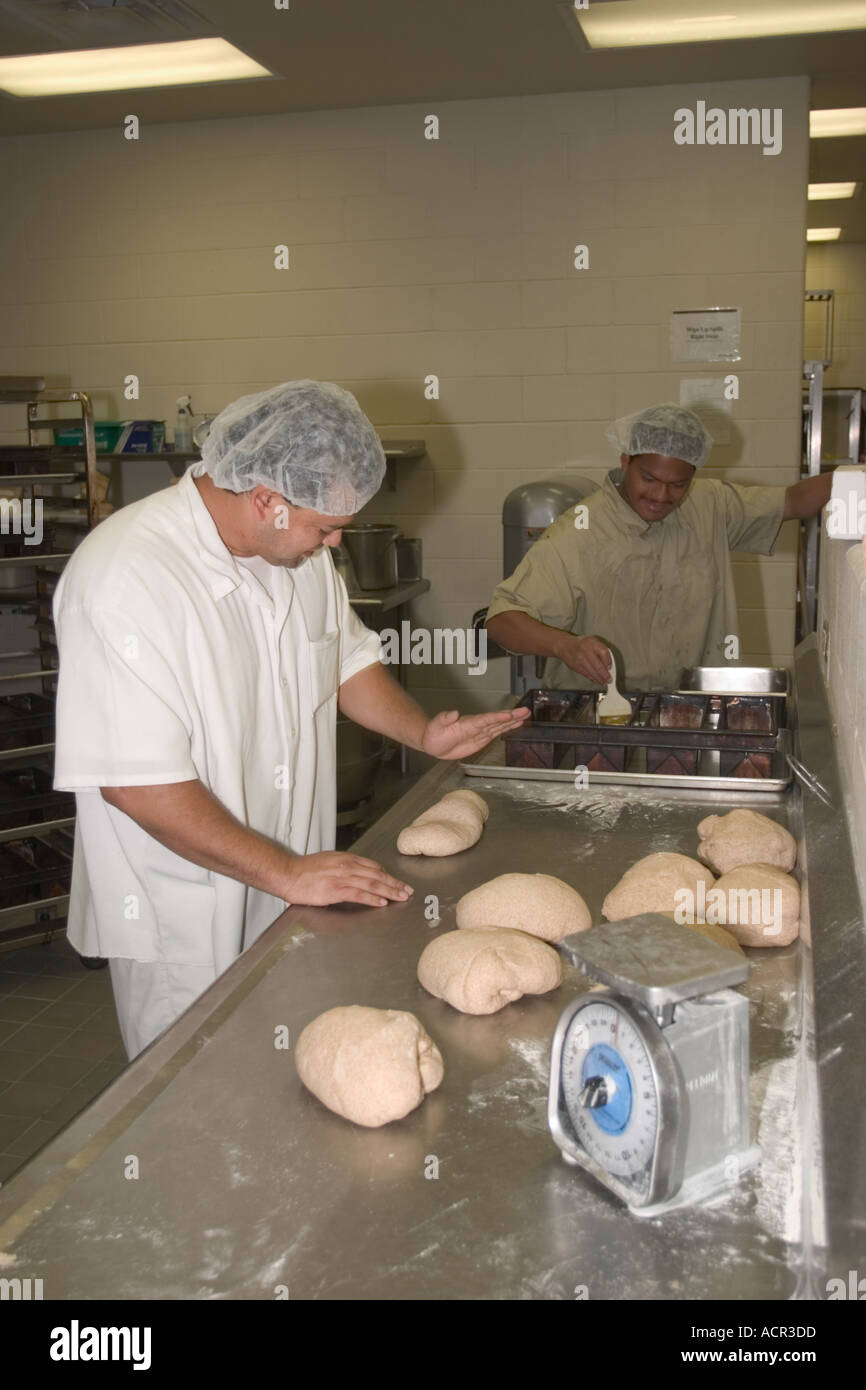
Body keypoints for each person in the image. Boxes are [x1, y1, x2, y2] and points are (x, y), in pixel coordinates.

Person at [53, 380, 529, 1059]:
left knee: (286, 1076)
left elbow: (343, 660)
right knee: (199, 1104)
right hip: (186, 914)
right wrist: (284, 871)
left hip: (287, 882)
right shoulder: (125, 580)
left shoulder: (294, 556)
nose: (335, 542)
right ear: (267, 499)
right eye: (326, 525)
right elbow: (137, 785)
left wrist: (422, 733)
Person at [485, 403, 832, 691]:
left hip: (688, 710)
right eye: (649, 479)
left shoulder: (710, 505)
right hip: (597, 719)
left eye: (678, 484)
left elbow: (793, 500)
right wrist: (565, 646)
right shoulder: (580, 533)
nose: (661, 496)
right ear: (626, 462)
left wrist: (853, 478)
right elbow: (502, 620)